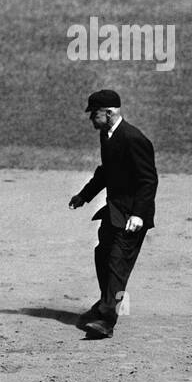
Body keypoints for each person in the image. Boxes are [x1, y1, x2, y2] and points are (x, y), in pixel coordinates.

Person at [68, 89, 158, 339]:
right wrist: (84, 196)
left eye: (94, 114)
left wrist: (138, 214)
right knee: (103, 255)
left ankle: (106, 321)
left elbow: (148, 180)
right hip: (114, 211)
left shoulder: (133, 138)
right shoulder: (107, 135)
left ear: (108, 113)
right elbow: (106, 172)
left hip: (132, 217)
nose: (90, 120)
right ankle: (104, 303)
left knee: (118, 264)